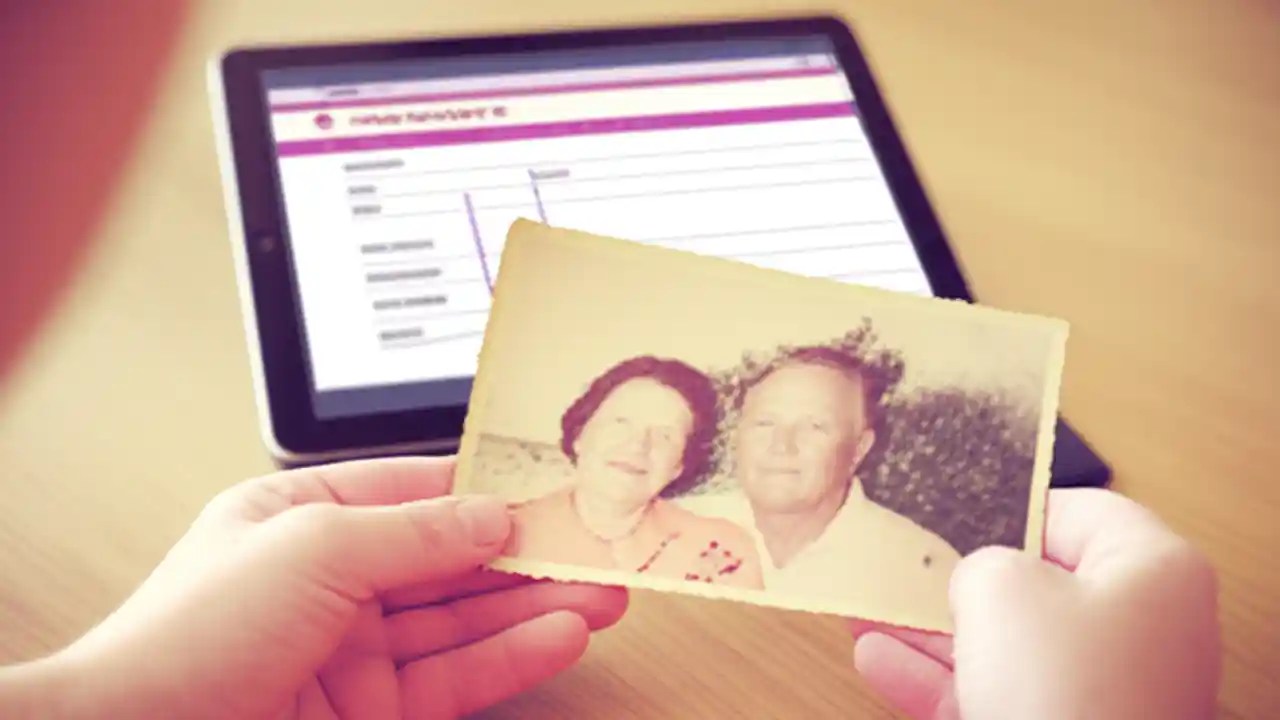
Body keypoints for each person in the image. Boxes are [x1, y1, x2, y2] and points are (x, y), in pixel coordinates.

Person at [0, 8, 1222, 718]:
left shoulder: (774, 554)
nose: (645, 448)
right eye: (623, 423)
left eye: (671, 436)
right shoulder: (543, 535)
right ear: (577, 429)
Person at [725, 346, 961, 626]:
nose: (782, 446)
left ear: (859, 449)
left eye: (814, 426)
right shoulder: (678, 528)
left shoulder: (926, 575)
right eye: (764, 423)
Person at [508, 356, 763, 588]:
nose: (637, 445)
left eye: (665, 435)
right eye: (620, 423)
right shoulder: (504, 533)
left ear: (679, 466)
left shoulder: (724, 549)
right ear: (579, 436)